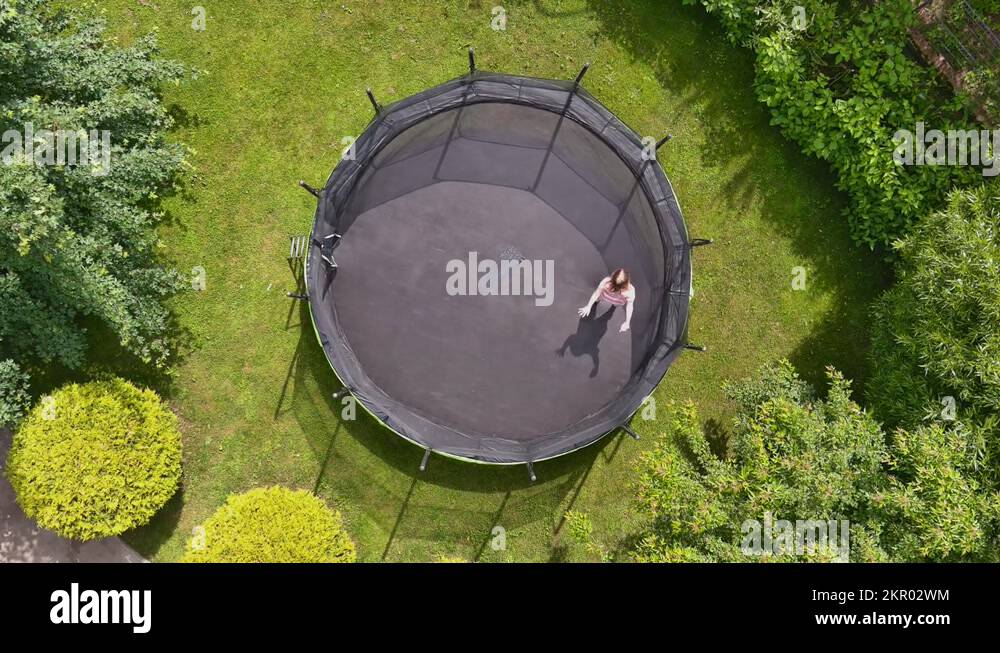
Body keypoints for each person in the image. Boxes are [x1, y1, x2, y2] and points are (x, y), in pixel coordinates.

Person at [577, 268, 635, 333]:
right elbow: (629, 306)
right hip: (618, 302)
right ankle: (613, 307)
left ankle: (599, 302)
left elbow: (596, 294)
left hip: (605, 296)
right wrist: (627, 322)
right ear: (627, 282)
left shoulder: (606, 282)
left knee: (599, 298)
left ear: (612, 276)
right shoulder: (630, 291)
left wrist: (589, 306)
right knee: (615, 305)